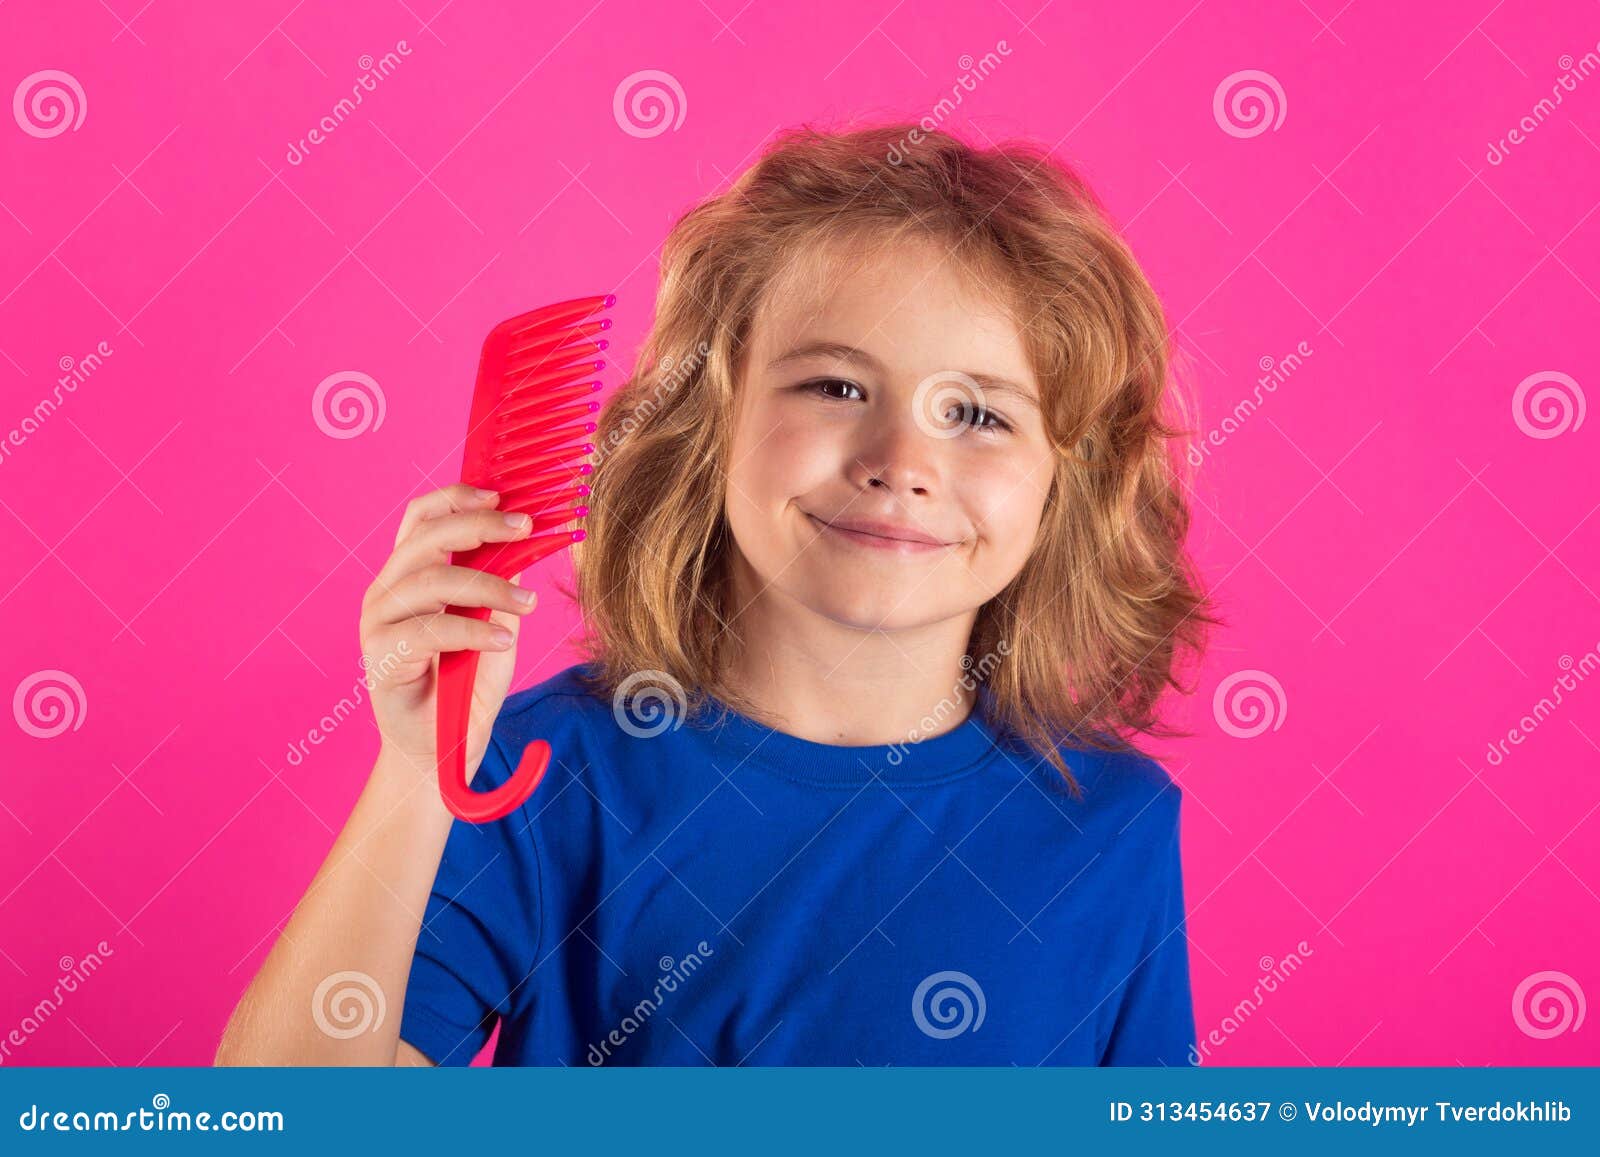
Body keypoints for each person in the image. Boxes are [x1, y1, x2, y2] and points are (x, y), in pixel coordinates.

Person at [215, 121, 1219, 1067]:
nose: (903, 460)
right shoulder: (545, 776)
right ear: (710, 424)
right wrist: (410, 773)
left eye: (977, 413)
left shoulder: (1110, 825)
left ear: (1062, 479)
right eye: (834, 385)